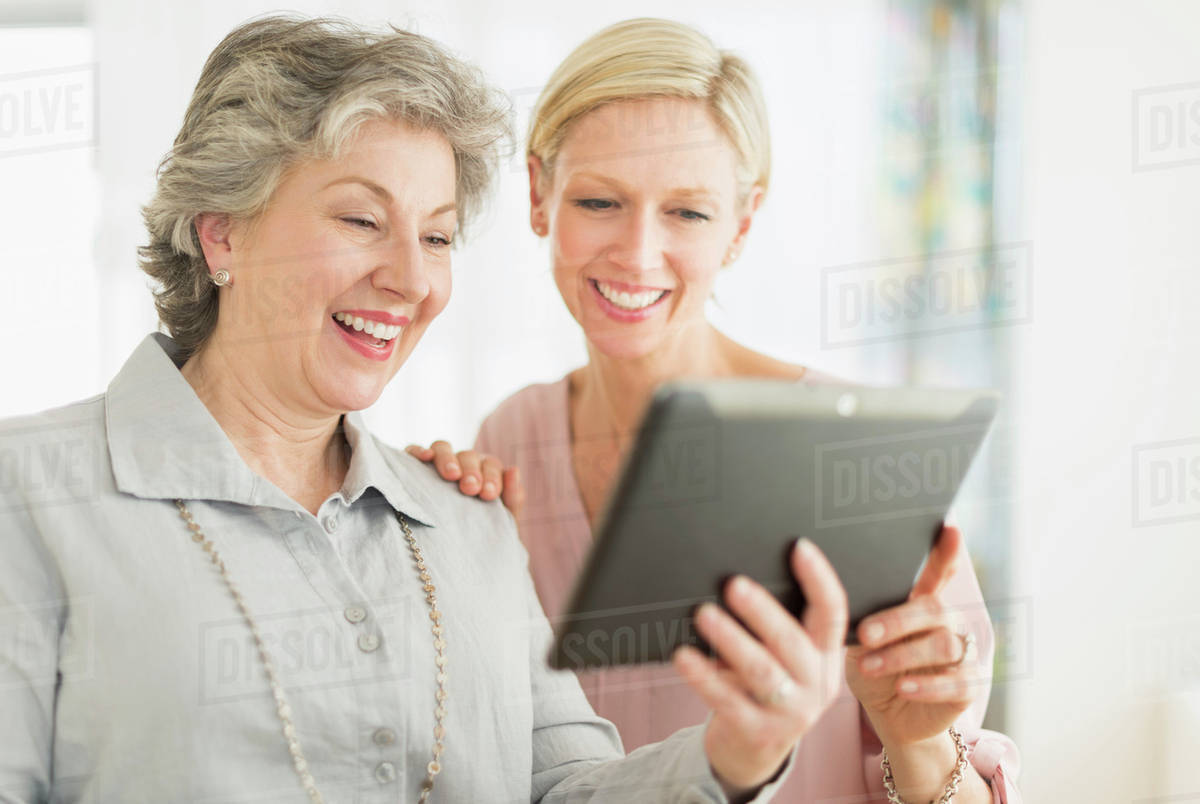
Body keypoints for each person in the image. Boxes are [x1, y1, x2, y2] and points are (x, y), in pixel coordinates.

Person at [0, 15, 877, 803]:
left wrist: (739, 749)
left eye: (437, 236)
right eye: (360, 220)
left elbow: (567, 790)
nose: (412, 281)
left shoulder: (467, 519)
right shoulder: (29, 496)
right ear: (222, 228)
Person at [411, 18, 1021, 803]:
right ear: (539, 195)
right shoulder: (513, 436)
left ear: (741, 224)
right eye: (600, 201)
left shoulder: (859, 449)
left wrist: (921, 741)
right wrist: (437, 540)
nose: (636, 253)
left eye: (688, 214)